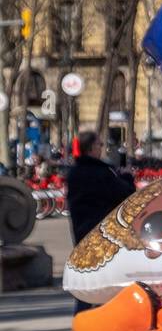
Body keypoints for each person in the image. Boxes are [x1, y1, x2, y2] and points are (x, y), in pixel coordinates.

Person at [65, 129, 136, 312]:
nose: (102, 148)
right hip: (105, 235)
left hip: (81, 233)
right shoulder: (101, 172)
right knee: (108, 283)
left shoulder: (74, 173)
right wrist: (127, 176)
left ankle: (81, 329)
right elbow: (125, 195)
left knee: (87, 283)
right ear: (91, 148)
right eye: (100, 145)